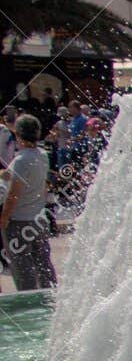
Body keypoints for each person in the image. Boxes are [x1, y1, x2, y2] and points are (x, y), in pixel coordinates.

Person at [0, 114, 58, 290]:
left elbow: (13, 195)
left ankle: (29, 302)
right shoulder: (42, 155)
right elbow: (13, 175)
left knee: (23, 267)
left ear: (18, 136)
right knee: (43, 263)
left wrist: (3, 219)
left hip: (18, 221)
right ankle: (50, 297)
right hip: (38, 218)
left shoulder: (20, 160)